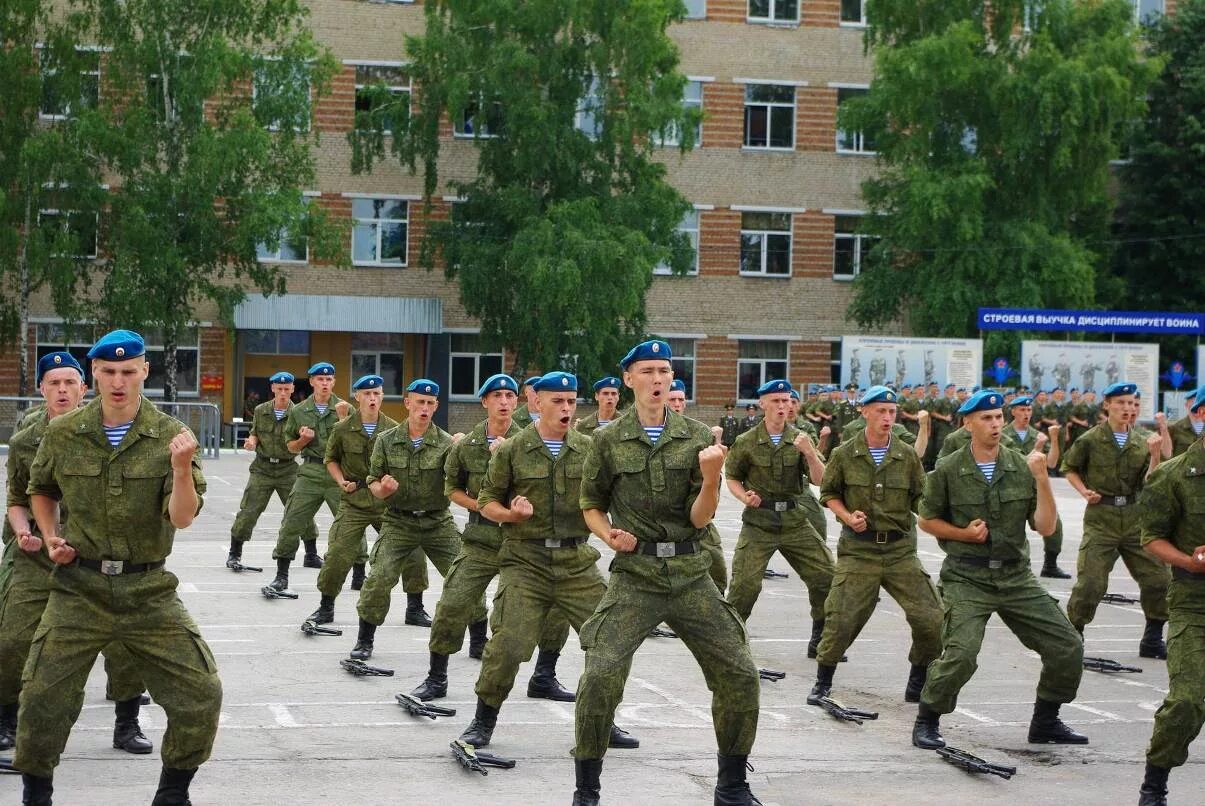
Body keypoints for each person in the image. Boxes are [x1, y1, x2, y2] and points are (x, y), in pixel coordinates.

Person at [16, 329, 221, 806]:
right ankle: (36, 795)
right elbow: (40, 489)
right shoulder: (64, 432)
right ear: (94, 373)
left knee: (202, 692)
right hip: (78, 588)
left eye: (128, 371)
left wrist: (181, 468)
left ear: (145, 371)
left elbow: (182, 517)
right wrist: (51, 535)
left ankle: (173, 793)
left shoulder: (172, 436)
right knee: (42, 699)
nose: (118, 381)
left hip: (148, 590)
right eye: (108, 371)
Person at [573, 340, 761, 806]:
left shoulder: (696, 437)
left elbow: (700, 518)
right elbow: (591, 504)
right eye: (647, 371)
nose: (657, 379)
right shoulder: (607, 440)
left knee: (739, 673)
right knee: (600, 675)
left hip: (690, 573)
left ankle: (732, 786)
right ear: (628, 379)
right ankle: (587, 790)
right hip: (635, 575)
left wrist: (712, 477)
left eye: (664, 371)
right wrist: (608, 535)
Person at [456, 372, 638, 753]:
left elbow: (610, 498)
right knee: (509, 643)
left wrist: (615, 532)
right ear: (537, 403)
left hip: (576, 562)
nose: (566, 408)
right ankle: (483, 721)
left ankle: (603, 720)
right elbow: (487, 502)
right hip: (526, 561)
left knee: (611, 640)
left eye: (571, 401)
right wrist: (511, 515)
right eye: (558, 401)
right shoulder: (512, 450)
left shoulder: (591, 448)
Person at [911, 390, 1086, 750]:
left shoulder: (1021, 466)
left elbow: (1046, 527)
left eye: (998, 418)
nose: (995, 424)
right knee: (961, 654)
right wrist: (963, 534)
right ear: (968, 424)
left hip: (1015, 576)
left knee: (1067, 644)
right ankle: (927, 719)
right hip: (967, 576)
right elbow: (926, 520)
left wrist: (1042, 480)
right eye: (986, 418)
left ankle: (1046, 721)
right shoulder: (948, 469)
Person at [1, 352, 150, 758]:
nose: (63, 390)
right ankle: (6, 717)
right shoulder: (26, 439)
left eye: (70, 382)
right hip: (37, 551)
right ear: (41, 389)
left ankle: (127, 719)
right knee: (12, 638)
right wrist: (25, 533)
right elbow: (17, 498)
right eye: (54, 383)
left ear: (85, 387)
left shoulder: (109, 431)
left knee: (124, 640)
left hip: (95, 552)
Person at [409, 374, 569, 703]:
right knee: (453, 602)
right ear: (485, 402)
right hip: (480, 539)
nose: (505, 402)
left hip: (524, 542)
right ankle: (436, 678)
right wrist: (482, 506)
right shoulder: (466, 445)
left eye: (510, 396)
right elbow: (452, 488)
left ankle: (544, 676)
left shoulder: (533, 442)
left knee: (554, 608)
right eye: (497, 396)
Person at [807, 386, 943, 709]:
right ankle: (823, 682)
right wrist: (846, 516)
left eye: (892, 412)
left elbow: (921, 499)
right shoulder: (844, 453)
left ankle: (918, 678)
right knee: (841, 618)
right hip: (859, 550)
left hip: (899, 552)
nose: (887, 418)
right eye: (881, 411)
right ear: (864, 412)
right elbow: (829, 494)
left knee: (932, 618)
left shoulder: (906, 455)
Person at [349, 380, 465, 660]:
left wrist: (465, 447)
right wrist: (382, 490)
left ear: (436, 406)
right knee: (379, 578)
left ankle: (478, 638)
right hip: (398, 521)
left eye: (430, 403)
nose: (424, 408)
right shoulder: (386, 440)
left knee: (464, 578)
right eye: (419, 402)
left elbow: (461, 481)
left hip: (438, 522)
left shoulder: (447, 444)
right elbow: (373, 480)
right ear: (407, 403)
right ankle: (365, 640)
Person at [724, 380, 835, 659]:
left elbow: (820, 480)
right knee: (744, 586)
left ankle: (820, 638)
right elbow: (733, 477)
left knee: (826, 577)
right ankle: (729, 645)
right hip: (759, 522)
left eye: (786, 401)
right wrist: (744, 496)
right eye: (776, 401)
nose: (782, 406)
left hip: (794, 520)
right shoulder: (747, 441)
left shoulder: (800, 439)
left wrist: (810, 453)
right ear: (763, 404)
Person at [1062, 381, 1171, 657]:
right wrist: (1083, 491)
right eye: (1121, 403)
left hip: (1135, 517)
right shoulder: (1090, 439)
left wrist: (1155, 456)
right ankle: (1074, 633)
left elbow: (1149, 481)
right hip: (1101, 517)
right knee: (1091, 583)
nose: (1127, 408)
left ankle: (1153, 637)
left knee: (1159, 578)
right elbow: (1069, 467)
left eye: (1132, 403)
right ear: (1107, 405)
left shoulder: (1143, 440)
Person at [1134, 384, 1205, 806]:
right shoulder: (1174, 475)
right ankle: (1155, 782)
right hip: (1195, 603)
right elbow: (1151, 538)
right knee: (1187, 701)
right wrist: (1188, 561)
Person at [306, 375, 400, 624]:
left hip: (385, 502)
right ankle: (326, 606)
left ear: (382, 396)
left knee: (412, 554)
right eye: (367, 394)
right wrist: (340, 481)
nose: (372, 398)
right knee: (337, 554)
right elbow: (331, 458)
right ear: (357, 397)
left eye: (377, 393)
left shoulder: (393, 429)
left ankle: (415, 607)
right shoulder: (342, 428)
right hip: (354, 499)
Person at [227, 371, 319, 570]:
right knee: (249, 510)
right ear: (273, 389)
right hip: (263, 468)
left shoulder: (300, 413)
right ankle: (234, 553)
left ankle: (311, 554)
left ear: (292, 389)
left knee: (301, 510)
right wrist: (251, 442)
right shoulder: (261, 410)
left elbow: (301, 442)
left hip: (288, 468)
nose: (283, 393)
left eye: (286, 389)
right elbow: (255, 433)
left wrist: (304, 439)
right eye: (279, 389)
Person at [267, 362, 348, 587]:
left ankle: (359, 574)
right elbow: (290, 447)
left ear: (334, 382)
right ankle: (281, 575)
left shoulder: (345, 409)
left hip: (338, 472)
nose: (325, 383)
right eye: (320, 379)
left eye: (329, 379)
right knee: (292, 520)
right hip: (310, 471)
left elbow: (354, 443)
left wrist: (343, 420)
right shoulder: (299, 410)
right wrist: (303, 440)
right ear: (312, 381)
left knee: (349, 523)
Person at [1166, 390, 1203, 457]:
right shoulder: (1175, 428)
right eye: (1193, 404)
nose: (1196, 409)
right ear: (1186, 405)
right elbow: (1167, 455)